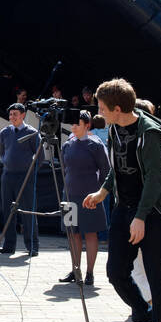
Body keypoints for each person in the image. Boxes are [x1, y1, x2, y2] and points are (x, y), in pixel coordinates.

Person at [84, 78, 161, 322]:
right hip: (123, 209)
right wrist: (103, 191)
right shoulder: (114, 129)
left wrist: (140, 217)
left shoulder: (149, 133)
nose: (98, 112)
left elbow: (154, 178)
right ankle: (142, 315)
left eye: (102, 107)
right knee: (115, 271)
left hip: (151, 212)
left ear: (117, 108)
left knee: (157, 278)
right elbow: (118, 168)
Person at [61, 109, 109, 286]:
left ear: (87, 125)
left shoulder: (95, 145)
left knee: (90, 233)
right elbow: (64, 168)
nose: (73, 127)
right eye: (72, 123)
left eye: (77, 124)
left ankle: (90, 272)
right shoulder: (68, 143)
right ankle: (75, 269)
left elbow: (105, 170)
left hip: (90, 196)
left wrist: (101, 193)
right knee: (73, 234)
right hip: (70, 194)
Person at [0, 103, 40, 255]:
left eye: (15, 114)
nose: (12, 117)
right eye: (10, 114)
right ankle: (9, 245)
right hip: (8, 175)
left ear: (23, 115)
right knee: (8, 211)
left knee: (28, 211)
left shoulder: (32, 133)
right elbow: (2, 152)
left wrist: (30, 171)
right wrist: (8, 163)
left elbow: (39, 157)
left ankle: (32, 246)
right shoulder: (4, 132)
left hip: (25, 177)